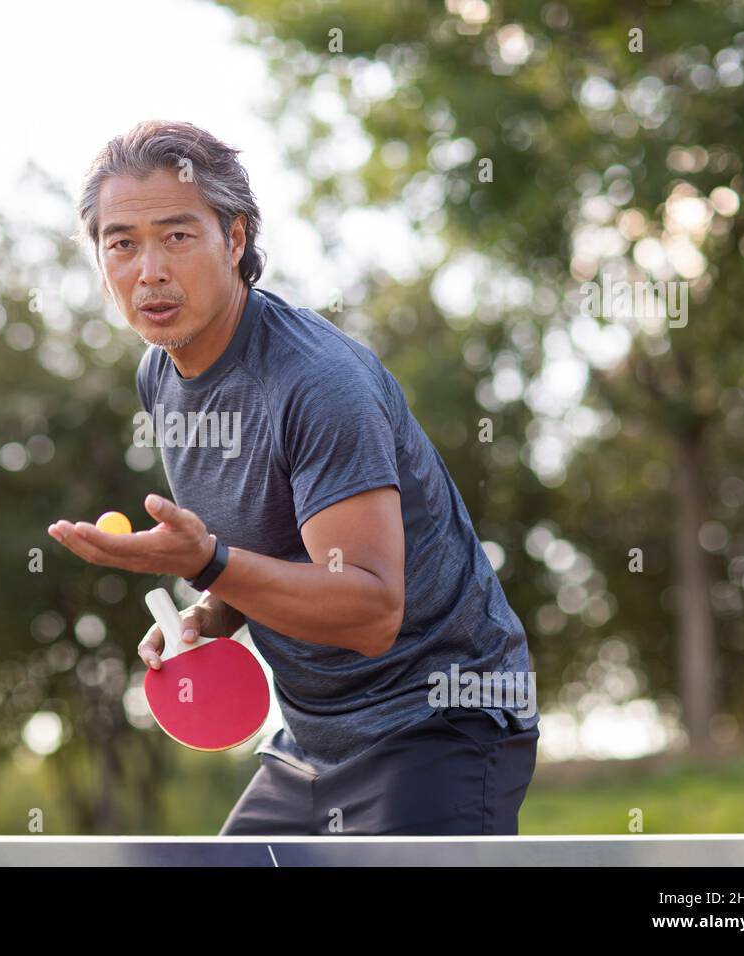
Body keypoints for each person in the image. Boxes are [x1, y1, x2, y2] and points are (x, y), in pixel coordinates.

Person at [49, 120, 538, 835]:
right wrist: (213, 614)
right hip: (312, 741)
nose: (148, 269)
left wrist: (210, 565)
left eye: (178, 236)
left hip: (441, 724)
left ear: (236, 239)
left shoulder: (319, 383)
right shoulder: (161, 373)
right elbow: (278, 546)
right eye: (121, 243)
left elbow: (371, 613)